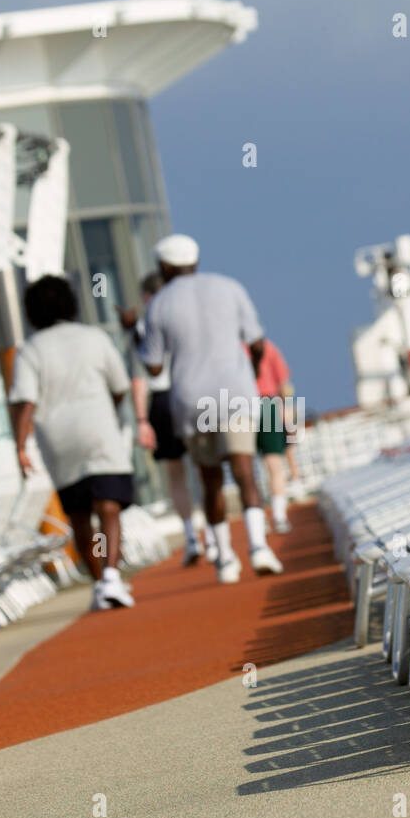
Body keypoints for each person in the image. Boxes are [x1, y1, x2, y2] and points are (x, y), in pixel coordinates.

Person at [138, 234, 283, 584]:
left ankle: (225, 558)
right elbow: (257, 341)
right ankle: (259, 547)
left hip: (192, 398)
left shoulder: (158, 304)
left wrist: (136, 333)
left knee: (210, 479)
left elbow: (154, 366)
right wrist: (248, 367)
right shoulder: (229, 287)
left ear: (164, 266)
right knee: (245, 470)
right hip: (235, 391)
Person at [9, 275, 135, 610]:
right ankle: (111, 577)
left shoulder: (30, 350)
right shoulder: (94, 337)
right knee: (108, 506)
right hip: (99, 428)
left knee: (79, 515)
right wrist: (110, 406)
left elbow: (25, 401)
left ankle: (98, 584)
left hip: (58, 439)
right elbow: (120, 384)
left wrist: (20, 446)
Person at [119, 272, 215, 566]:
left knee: (176, 475)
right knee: (205, 469)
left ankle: (191, 535)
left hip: (162, 402)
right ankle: (212, 535)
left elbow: (139, 380)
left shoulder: (141, 330)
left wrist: (142, 420)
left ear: (147, 297)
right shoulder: (191, 318)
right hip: (193, 394)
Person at [249, 337, 296, 534]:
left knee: (248, 470)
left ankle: (259, 520)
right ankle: (278, 517)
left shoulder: (230, 347)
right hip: (267, 405)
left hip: (239, 406)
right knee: (274, 465)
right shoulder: (266, 346)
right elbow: (283, 384)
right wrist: (287, 413)